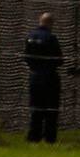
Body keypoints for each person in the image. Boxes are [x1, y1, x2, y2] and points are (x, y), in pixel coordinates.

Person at [24, 12, 62, 143]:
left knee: (35, 108)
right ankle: (49, 138)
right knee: (51, 109)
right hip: (49, 77)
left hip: (34, 77)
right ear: (50, 23)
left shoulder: (30, 37)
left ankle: (34, 137)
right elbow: (58, 59)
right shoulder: (51, 38)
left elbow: (26, 58)